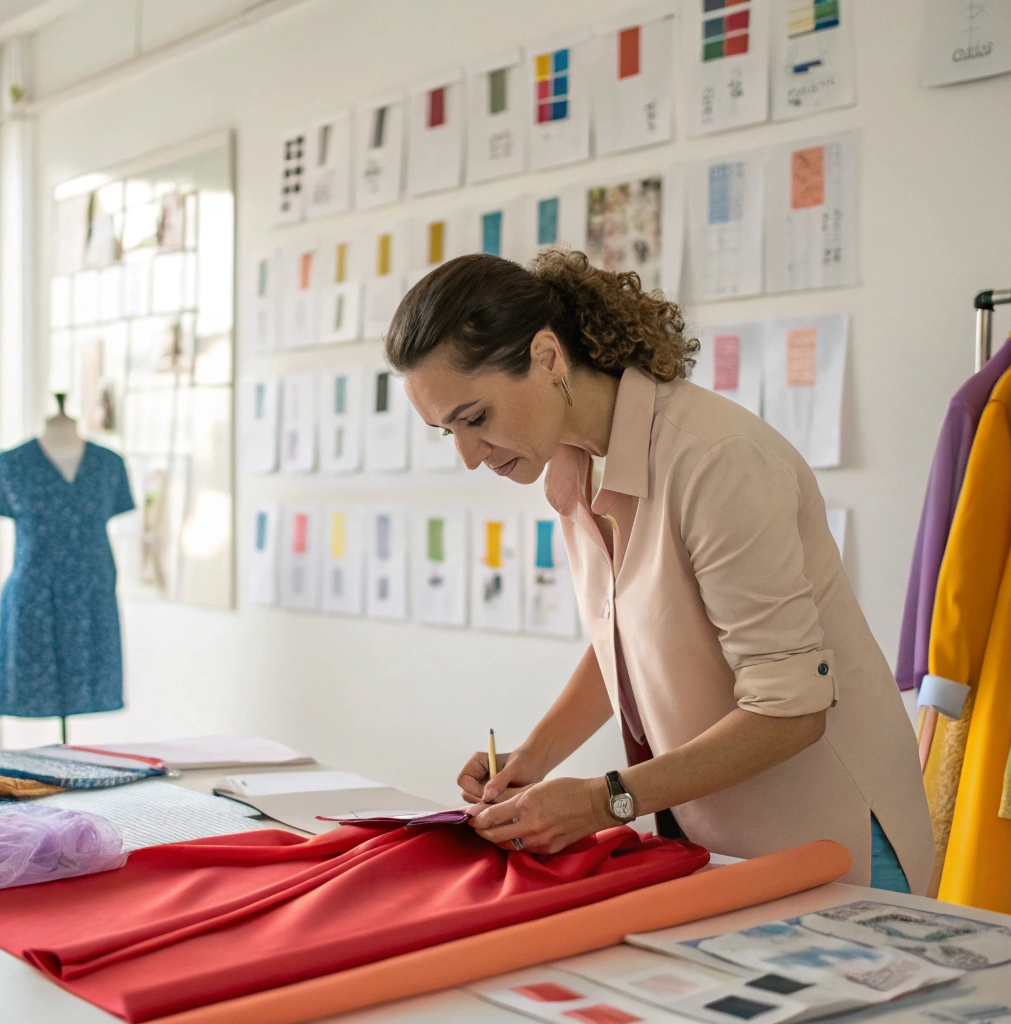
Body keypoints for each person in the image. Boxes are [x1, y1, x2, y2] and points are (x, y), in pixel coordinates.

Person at [385, 251, 933, 893]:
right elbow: (628, 639)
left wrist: (599, 801)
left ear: (548, 357)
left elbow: (791, 710)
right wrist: (531, 759)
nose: (469, 457)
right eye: (445, 431)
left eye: (475, 418)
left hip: (831, 834)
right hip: (715, 836)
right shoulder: (574, 465)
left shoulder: (716, 461)